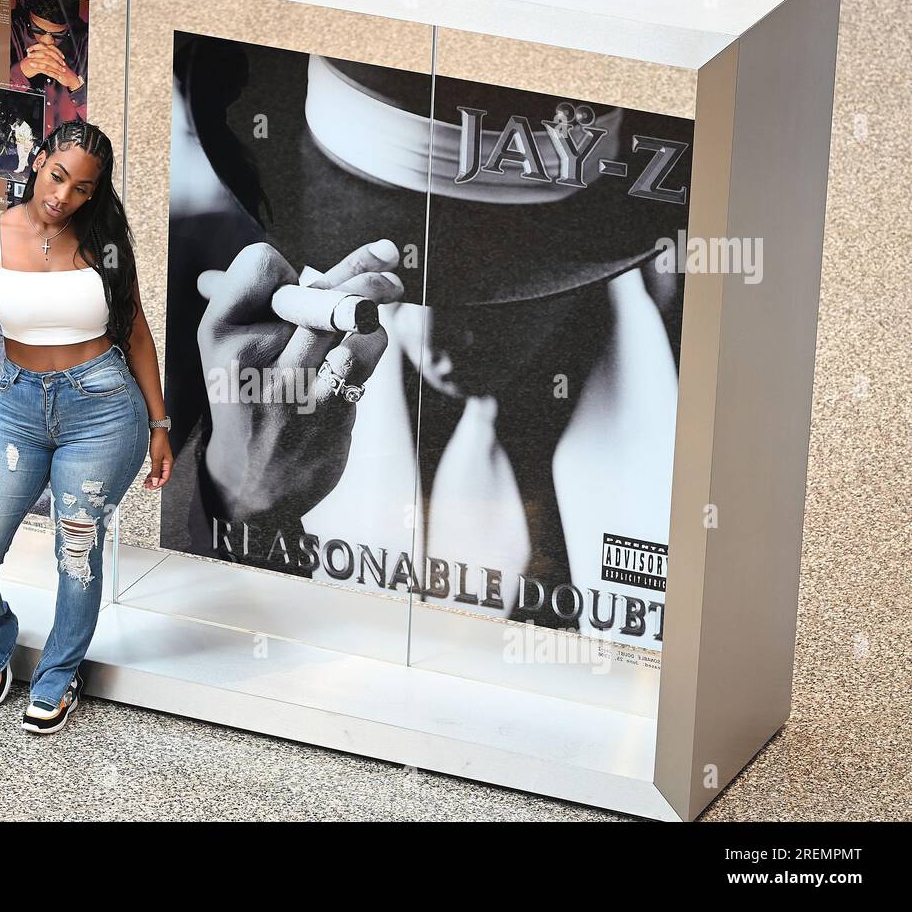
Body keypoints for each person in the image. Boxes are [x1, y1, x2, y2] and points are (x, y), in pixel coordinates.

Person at [164, 35, 690, 647]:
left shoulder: (719, 402)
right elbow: (168, 640)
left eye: (486, 296)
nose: (435, 340)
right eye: (403, 291)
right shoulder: (204, 330)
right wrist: (237, 498)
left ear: (586, 254)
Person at [0, 119, 173, 733]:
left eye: (81, 188)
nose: (62, 196)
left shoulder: (102, 243)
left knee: (77, 547)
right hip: (17, 406)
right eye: (57, 177)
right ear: (41, 159)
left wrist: (160, 424)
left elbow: (136, 335)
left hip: (102, 408)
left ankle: (58, 673)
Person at [9, 0, 87, 133]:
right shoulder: (10, 27)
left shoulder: (86, 41)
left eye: (59, 34)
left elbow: (104, 121)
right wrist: (20, 71)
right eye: (37, 30)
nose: (48, 42)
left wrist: (76, 86)